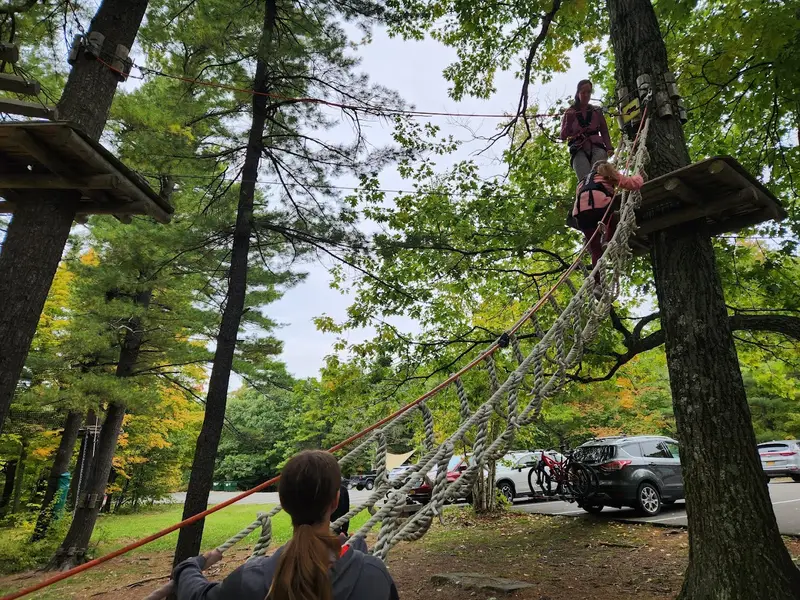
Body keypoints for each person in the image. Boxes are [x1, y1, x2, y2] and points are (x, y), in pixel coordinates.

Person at [172, 451, 399, 600]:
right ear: (336, 502)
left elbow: (196, 595)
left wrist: (192, 565)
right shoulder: (374, 574)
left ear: (283, 502)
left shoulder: (249, 581)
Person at [571, 160, 643, 292]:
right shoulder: (605, 172)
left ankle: (596, 284)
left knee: (595, 250)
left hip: (580, 215)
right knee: (611, 216)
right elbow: (631, 184)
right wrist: (639, 176)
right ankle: (606, 238)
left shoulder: (582, 182)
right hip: (600, 207)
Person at [560, 79, 614, 181]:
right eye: (583, 92)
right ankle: (587, 195)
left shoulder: (596, 111)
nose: (586, 95)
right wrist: (569, 121)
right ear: (578, 93)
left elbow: (604, 130)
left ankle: (603, 195)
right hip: (578, 150)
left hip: (597, 147)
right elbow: (563, 136)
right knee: (585, 181)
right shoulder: (570, 112)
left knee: (600, 178)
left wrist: (609, 147)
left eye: (588, 92)